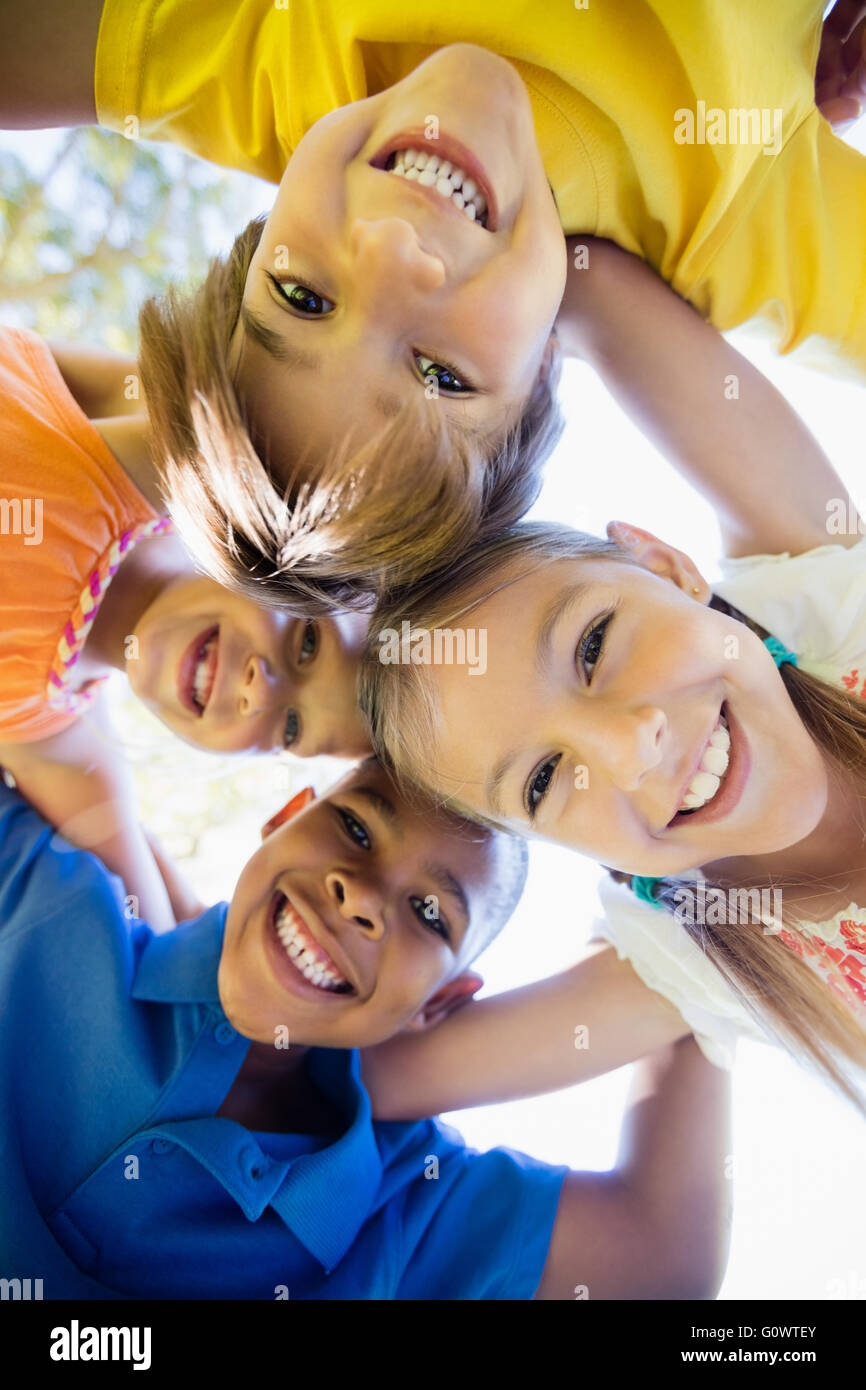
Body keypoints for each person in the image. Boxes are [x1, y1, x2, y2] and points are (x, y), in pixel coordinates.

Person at [1, 2, 864, 607]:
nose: (391, 252)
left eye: (301, 297)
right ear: (544, 367)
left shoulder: (273, 62)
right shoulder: (728, 226)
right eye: (441, 376)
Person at [359, 239, 866, 1111]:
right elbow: (370, 1082)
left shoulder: (828, 599)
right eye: (547, 778)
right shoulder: (689, 953)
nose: (632, 748)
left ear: (666, 568)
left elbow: (587, 285)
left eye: (594, 647)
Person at [0, 756, 730, 1300]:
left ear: (440, 1005)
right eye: (353, 825)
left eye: (429, 915)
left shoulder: (406, 1203)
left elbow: (664, 1262)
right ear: (284, 816)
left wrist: (697, 922)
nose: (361, 897)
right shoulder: (46, 890)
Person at [0, 324, 370, 931]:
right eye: (308, 641)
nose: (258, 688)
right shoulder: (143, 460)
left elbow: (138, 888)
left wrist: (199, 926)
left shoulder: (45, 720)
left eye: (292, 726)